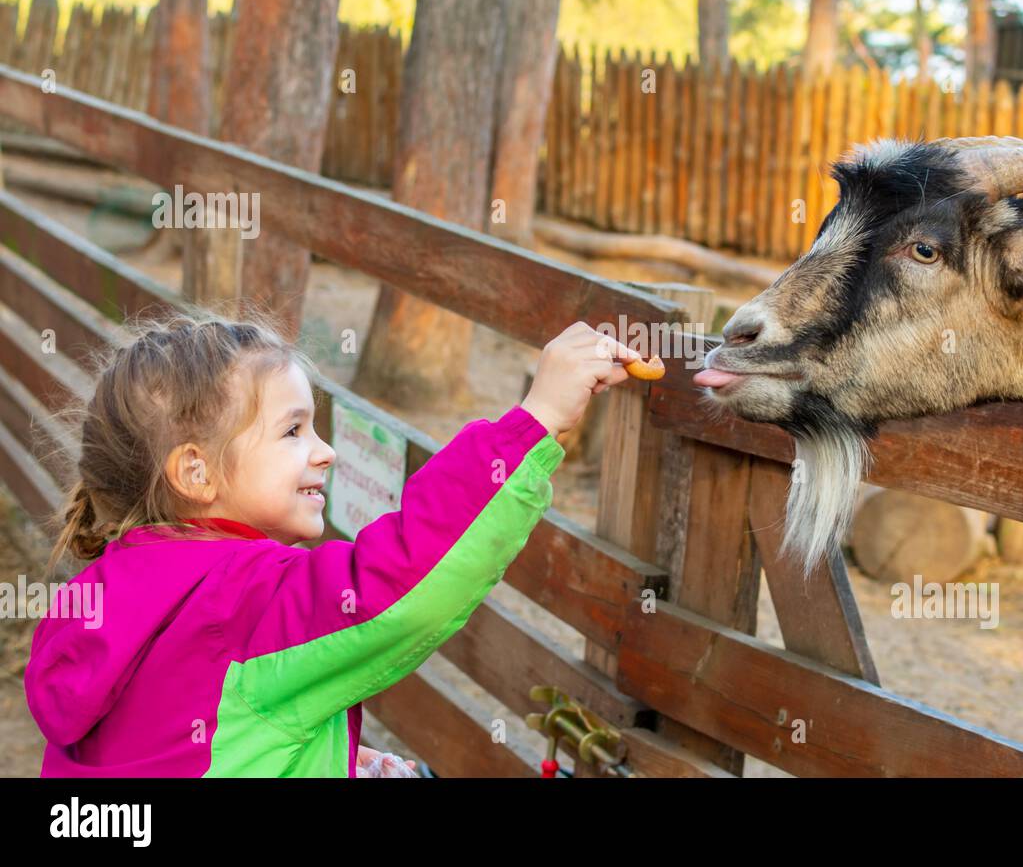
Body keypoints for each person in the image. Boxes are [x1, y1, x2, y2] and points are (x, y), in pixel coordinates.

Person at [24, 308, 638, 776]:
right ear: (196, 473)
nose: (326, 450)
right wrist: (535, 423)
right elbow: (399, 583)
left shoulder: (110, 592)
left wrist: (330, 756)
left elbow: (198, 733)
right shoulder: (243, 598)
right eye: (292, 430)